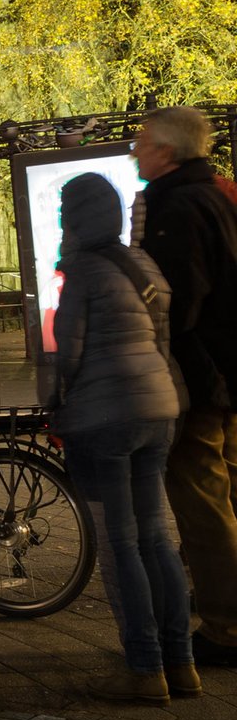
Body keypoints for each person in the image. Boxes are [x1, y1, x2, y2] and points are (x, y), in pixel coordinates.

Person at [51, 172, 195, 703]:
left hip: (108, 418)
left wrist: (53, 404)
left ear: (76, 217)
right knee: (157, 538)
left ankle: (145, 667)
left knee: (124, 542)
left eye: (65, 211)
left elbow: (67, 352)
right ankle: (182, 665)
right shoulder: (143, 263)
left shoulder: (85, 270)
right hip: (159, 410)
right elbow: (162, 340)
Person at [132, 105, 237, 666]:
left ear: (167, 151)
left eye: (143, 141)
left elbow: (177, 302)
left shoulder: (175, 205)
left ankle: (225, 627)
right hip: (226, 372)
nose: (135, 149)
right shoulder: (218, 195)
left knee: (203, 505)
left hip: (200, 379)